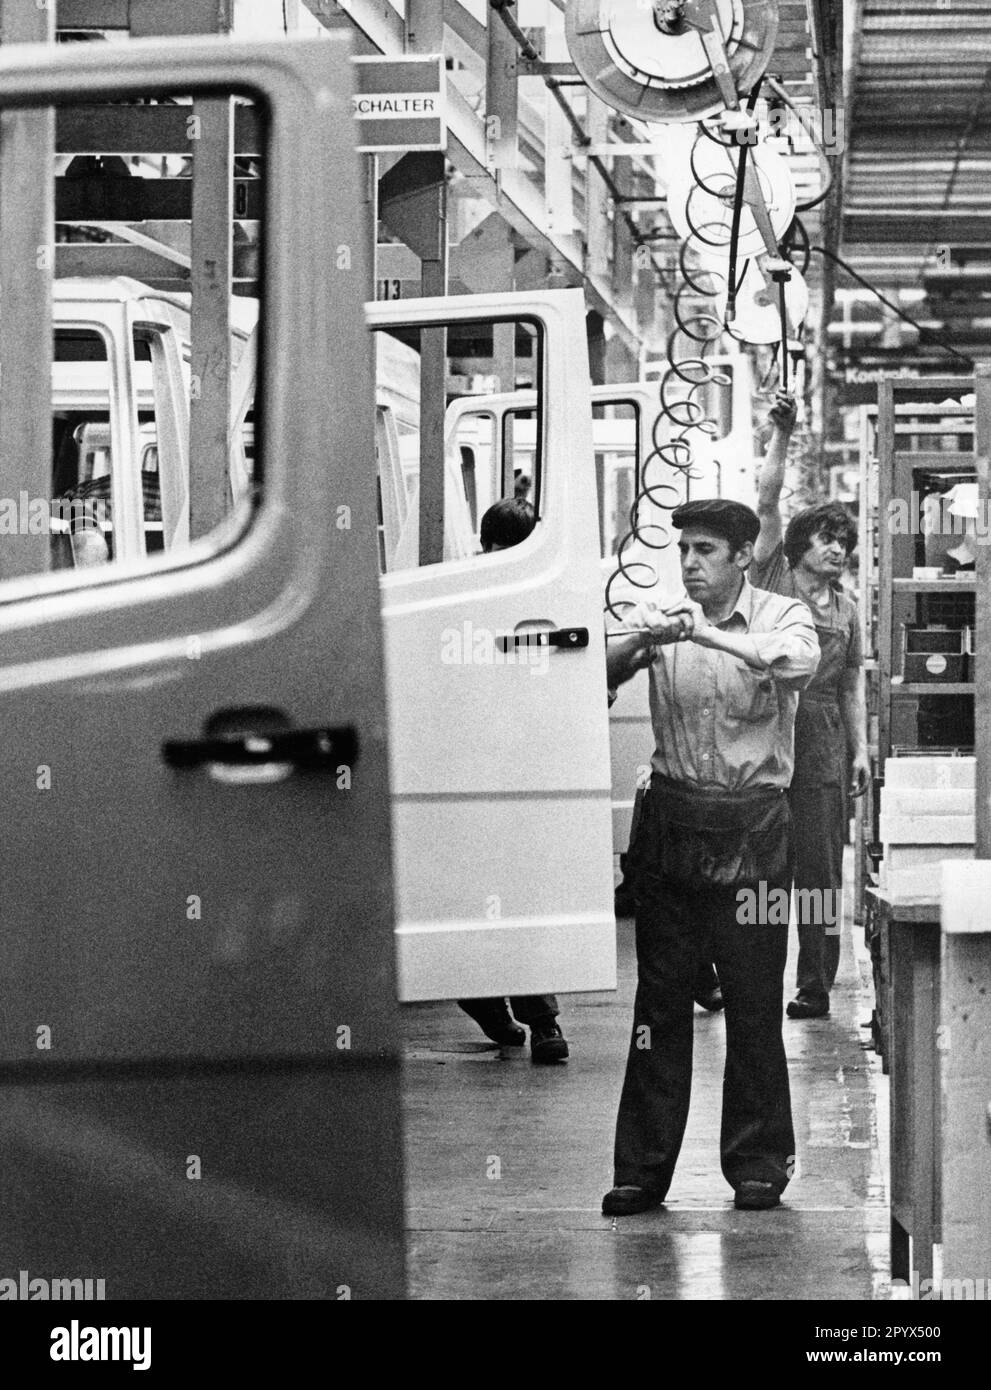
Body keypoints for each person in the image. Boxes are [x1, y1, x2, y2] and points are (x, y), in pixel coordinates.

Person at [601, 499, 820, 1214]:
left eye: (704, 551)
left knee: (754, 1005)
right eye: (683, 551)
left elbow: (791, 664)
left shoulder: (782, 616)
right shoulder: (665, 615)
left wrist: (707, 638)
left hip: (753, 830)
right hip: (673, 827)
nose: (689, 564)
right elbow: (588, 674)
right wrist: (639, 644)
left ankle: (758, 1163)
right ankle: (640, 1169)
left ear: (741, 556)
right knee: (656, 1006)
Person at [752, 393, 869, 1020]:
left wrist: (862, 750)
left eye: (843, 542)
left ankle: (814, 985)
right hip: (764, 729)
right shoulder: (771, 576)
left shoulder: (847, 609)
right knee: (761, 871)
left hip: (822, 738)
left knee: (820, 874)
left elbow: (852, 685)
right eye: (827, 538)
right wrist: (782, 432)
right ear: (799, 545)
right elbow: (767, 498)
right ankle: (748, 974)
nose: (838, 550)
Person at [457, 496, 569, 1064]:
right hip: (484, 765)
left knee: (506, 894)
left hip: (506, 767)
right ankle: (503, 1010)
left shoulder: (504, 600)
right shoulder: (471, 600)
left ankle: (533, 1015)